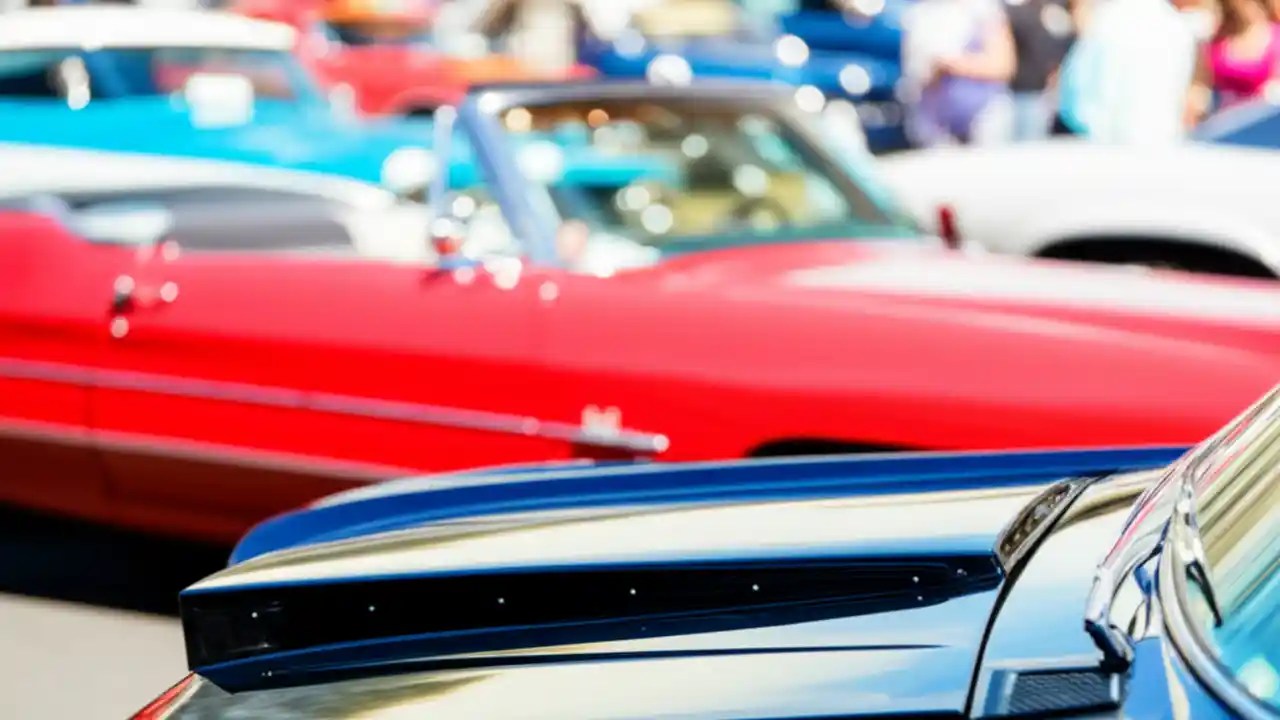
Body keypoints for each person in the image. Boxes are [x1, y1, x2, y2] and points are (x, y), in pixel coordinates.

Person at [1056, 0, 1198, 142]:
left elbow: (1075, 87)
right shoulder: (1176, 25)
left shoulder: (1104, 21)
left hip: (1105, 141)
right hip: (1160, 139)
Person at [900, 0, 1017, 147]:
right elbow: (914, 74)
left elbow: (1002, 66)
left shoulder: (984, 10)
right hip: (936, 123)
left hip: (984, 117)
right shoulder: (920, 14)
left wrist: (951, 64)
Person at [1190, 0, 1280, 118]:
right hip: (1226, 123)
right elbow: (1200, 86)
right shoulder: (1212, 41)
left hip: (1265, 121)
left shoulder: (1274, 36)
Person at [1004, 0, 1076, 140]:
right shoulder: (1013, 10)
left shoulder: (1053, 10)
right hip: (1015, 93)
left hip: (1039, 94)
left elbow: (1062, 43)